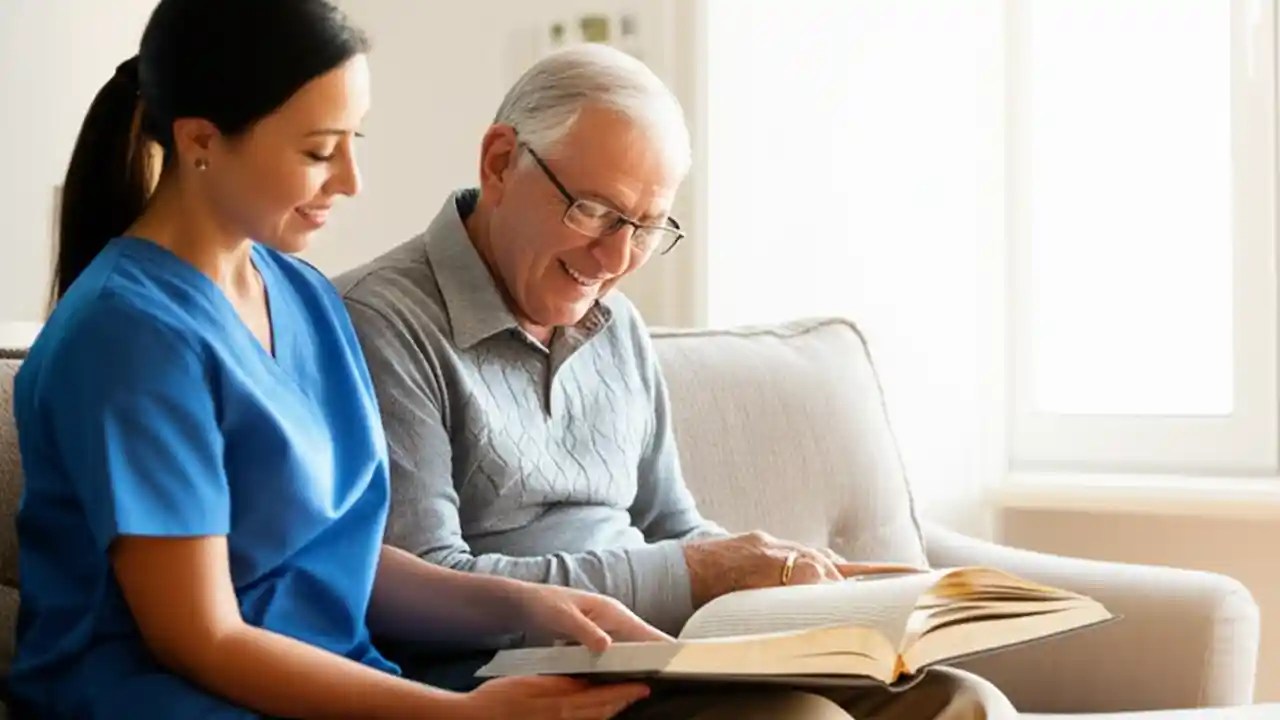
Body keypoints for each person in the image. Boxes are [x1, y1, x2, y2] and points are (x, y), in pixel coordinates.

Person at [10, 3, 670, 718]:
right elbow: (199, 638)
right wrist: (459, 716)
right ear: (201, 140)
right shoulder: (128, 334)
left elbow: (338, 566)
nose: (351, 180)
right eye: (320, 151)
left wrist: (534, 606)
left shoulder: (300, 296)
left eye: (354, 140)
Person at [337, 44, 1018, 719]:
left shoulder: (618, 327)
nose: (614, 258)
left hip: (656, 655)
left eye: (645, 227)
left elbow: (670, 525)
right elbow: (423, 587)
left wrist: (813, 598)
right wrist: (700, 574)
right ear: (499, 163)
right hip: (514, 679)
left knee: (959, 700)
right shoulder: (381, 321)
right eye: (595, 211)